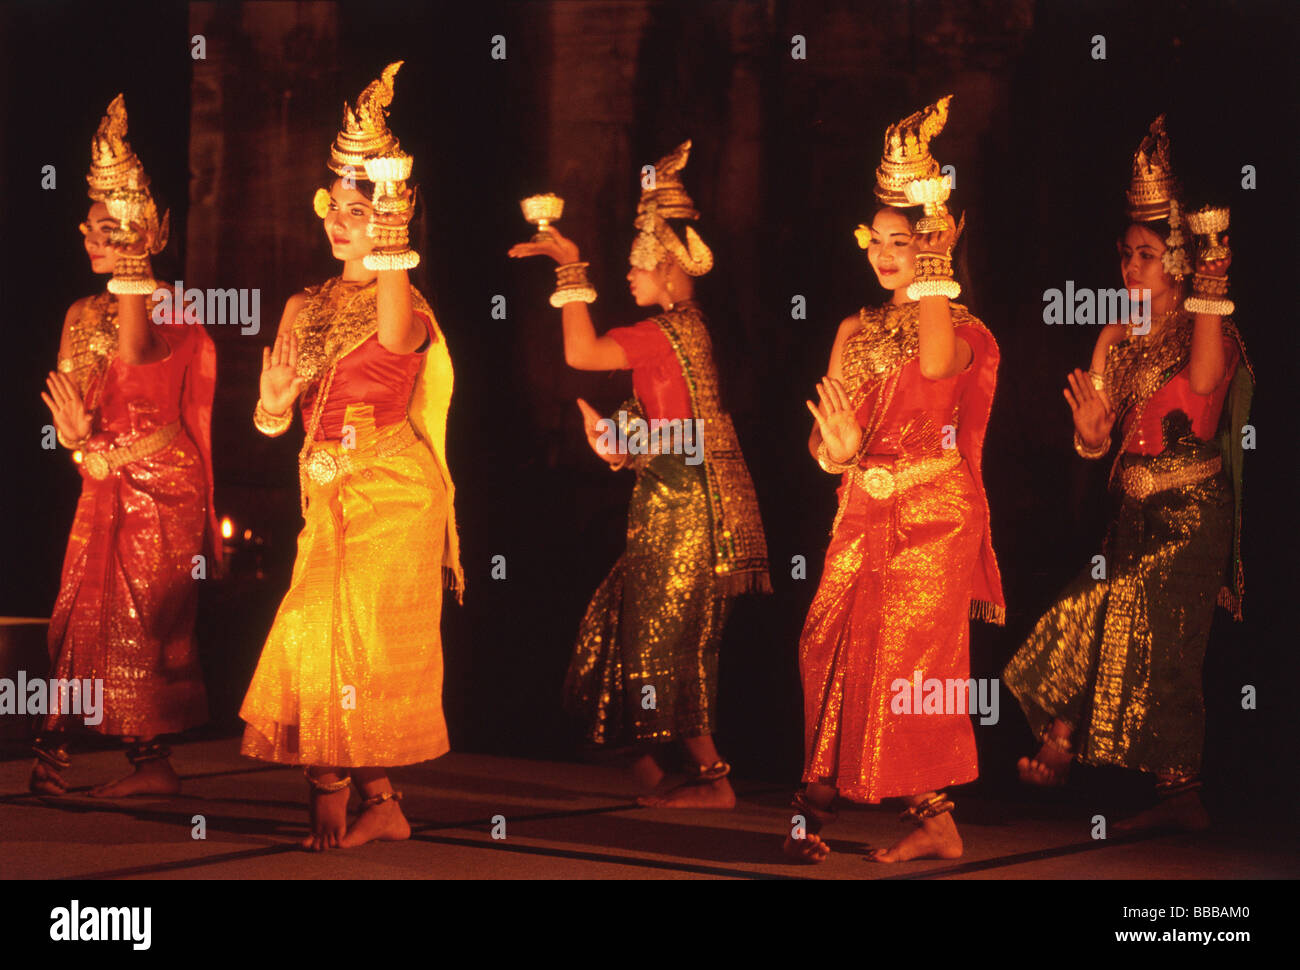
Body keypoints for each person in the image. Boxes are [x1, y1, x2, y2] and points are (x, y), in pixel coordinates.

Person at [1003, 116, 1252, 833]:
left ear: (1177, 262)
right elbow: (1098, 434)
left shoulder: (1215, 328)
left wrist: (1211, 284)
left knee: (1157, 637)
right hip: (1132, 514)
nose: (1130, 269)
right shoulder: (1114, 334)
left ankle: (1080, 747)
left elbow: (1203, 390)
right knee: (1086, 609)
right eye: (1125, 254)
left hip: (1193, 514)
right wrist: (1089, 439)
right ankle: (1167, 794)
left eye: (1146, 255)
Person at [239, 62, 464, 850]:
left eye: (360, 209)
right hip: (325, 487)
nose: (342, 220)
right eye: (336, 206)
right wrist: (271, 405)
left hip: (393, 488)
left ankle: (334, 789)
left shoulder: (404, 301)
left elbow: (397, 341)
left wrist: (393, 214)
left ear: (393, 221)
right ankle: (380, 799)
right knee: (319, 636)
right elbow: (277, 423)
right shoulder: (305, 304)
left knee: (339, 637)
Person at [509, 141, 770, 809]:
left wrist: (571, 267)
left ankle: (713, 782)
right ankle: (656, 780)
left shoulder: (669, 332)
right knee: (623, 626)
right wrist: (620, 440)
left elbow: (580, 349)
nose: (627, 277)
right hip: (668, 499)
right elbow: (664, 421)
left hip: (684, 508)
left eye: (634, 267)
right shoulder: (683, 335)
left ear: (667, 269)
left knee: (667, 640)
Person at [786, 96, 1004, 863]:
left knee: (909, 663)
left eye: (902, 241)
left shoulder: (965, 330)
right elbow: (824, 442)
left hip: (935, 514)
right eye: (877, 240)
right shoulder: (854, 328)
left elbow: (938, 365)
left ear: (933, 246)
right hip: (861, 509)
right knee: (827, 645)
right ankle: (816, 805)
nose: (884, 253)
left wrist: (940, 260)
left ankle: (931, 814)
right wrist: (837, 451)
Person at [34, 94, 218, 798]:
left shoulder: (173, 308)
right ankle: (61, 758)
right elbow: (73, 409)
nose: (95, 233)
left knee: (142, 624)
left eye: (117, 225)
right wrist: (72, 439)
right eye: (92, 222)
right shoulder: (80, 312)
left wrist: (134, 266)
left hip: (162, 484)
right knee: (80, 613)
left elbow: (139, 362)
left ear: (153, 232)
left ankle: (152, 763)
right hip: (100, 480)